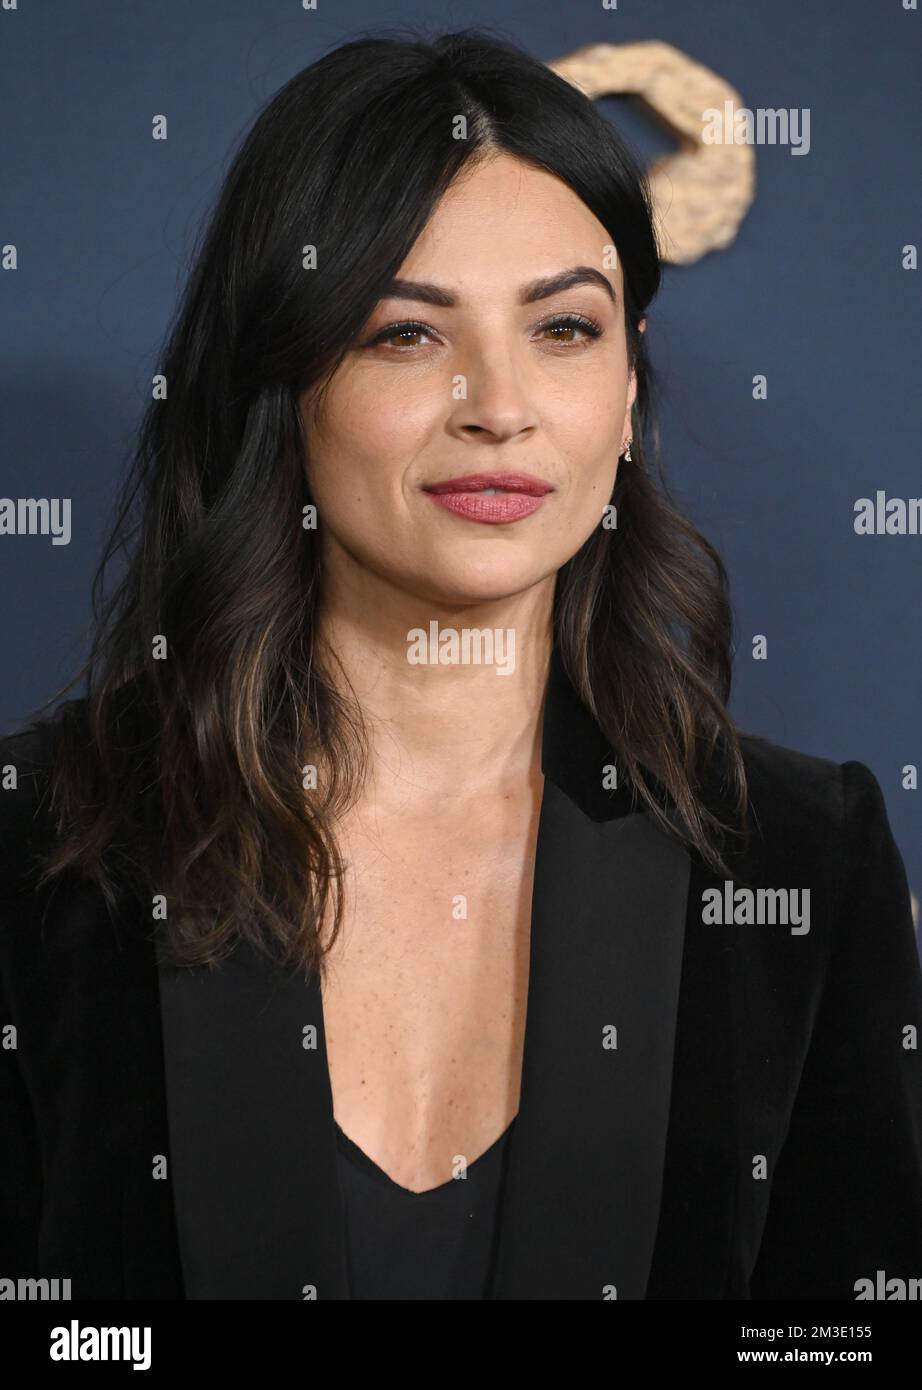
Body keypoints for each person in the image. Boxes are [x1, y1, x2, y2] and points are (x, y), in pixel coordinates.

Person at [1, 27, 921, 1302]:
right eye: (405, 334)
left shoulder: (796, 860)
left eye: (563, 327)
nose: (500, 402)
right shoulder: (47, 836)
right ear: (283, 371)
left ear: (627, 382)